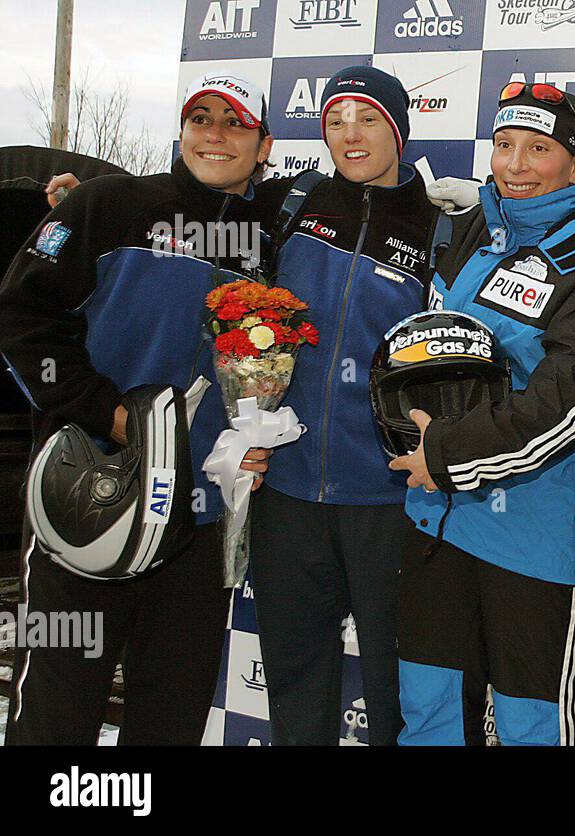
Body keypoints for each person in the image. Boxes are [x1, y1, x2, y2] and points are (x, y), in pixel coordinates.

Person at [0, 73, 275, 744]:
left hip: (199, 522)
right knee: (55, 718)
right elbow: (22, 317)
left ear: (264, 145)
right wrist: (110, 418)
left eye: (234, 123)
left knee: (169, 720)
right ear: (181, 130)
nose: (214, 133)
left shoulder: (273, 242)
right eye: (200, 117)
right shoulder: (107, 204)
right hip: (88, 497)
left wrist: (255, 438)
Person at [389, 83, 575, 745]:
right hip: (437, 520)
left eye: (539, 148)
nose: (516, 164)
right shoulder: (470, 228)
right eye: (504, 145)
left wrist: (448, 456)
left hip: (536, 534)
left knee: (531, 728)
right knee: (429, 710)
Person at [247, 65, 436, 746]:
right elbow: (191, 212)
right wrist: (76, 201)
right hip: (288, 488)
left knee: (396, 684)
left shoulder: (439, 223)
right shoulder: (291, 203)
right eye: (335, 122)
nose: (349, 136)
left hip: (386, 498)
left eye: (366, 120)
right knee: (296, 677)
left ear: (398, 128)